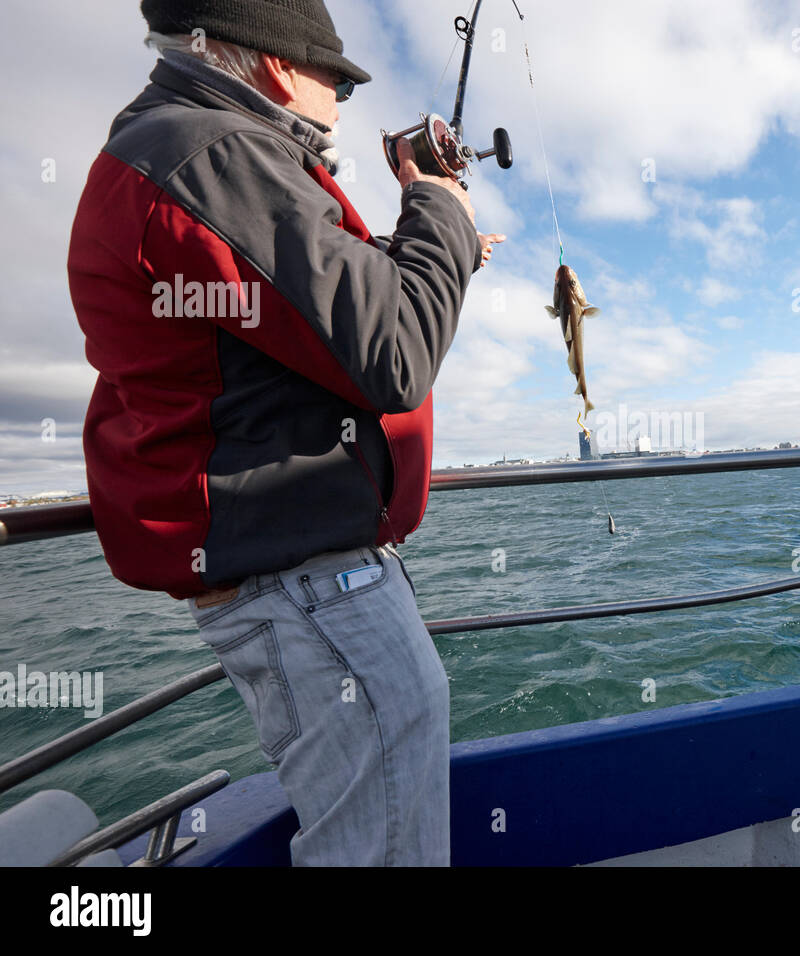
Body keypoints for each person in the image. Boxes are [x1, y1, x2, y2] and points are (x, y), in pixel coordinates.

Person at [67, 0, 504, 865]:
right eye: (335, 76)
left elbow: (298, 322)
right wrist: (438, 207)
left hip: (300, 584)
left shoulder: (179, 148)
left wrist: (427, 243)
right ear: (274, 64)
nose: (339, 97)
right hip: (308, 590)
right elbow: (393, 350)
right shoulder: (212, 152)